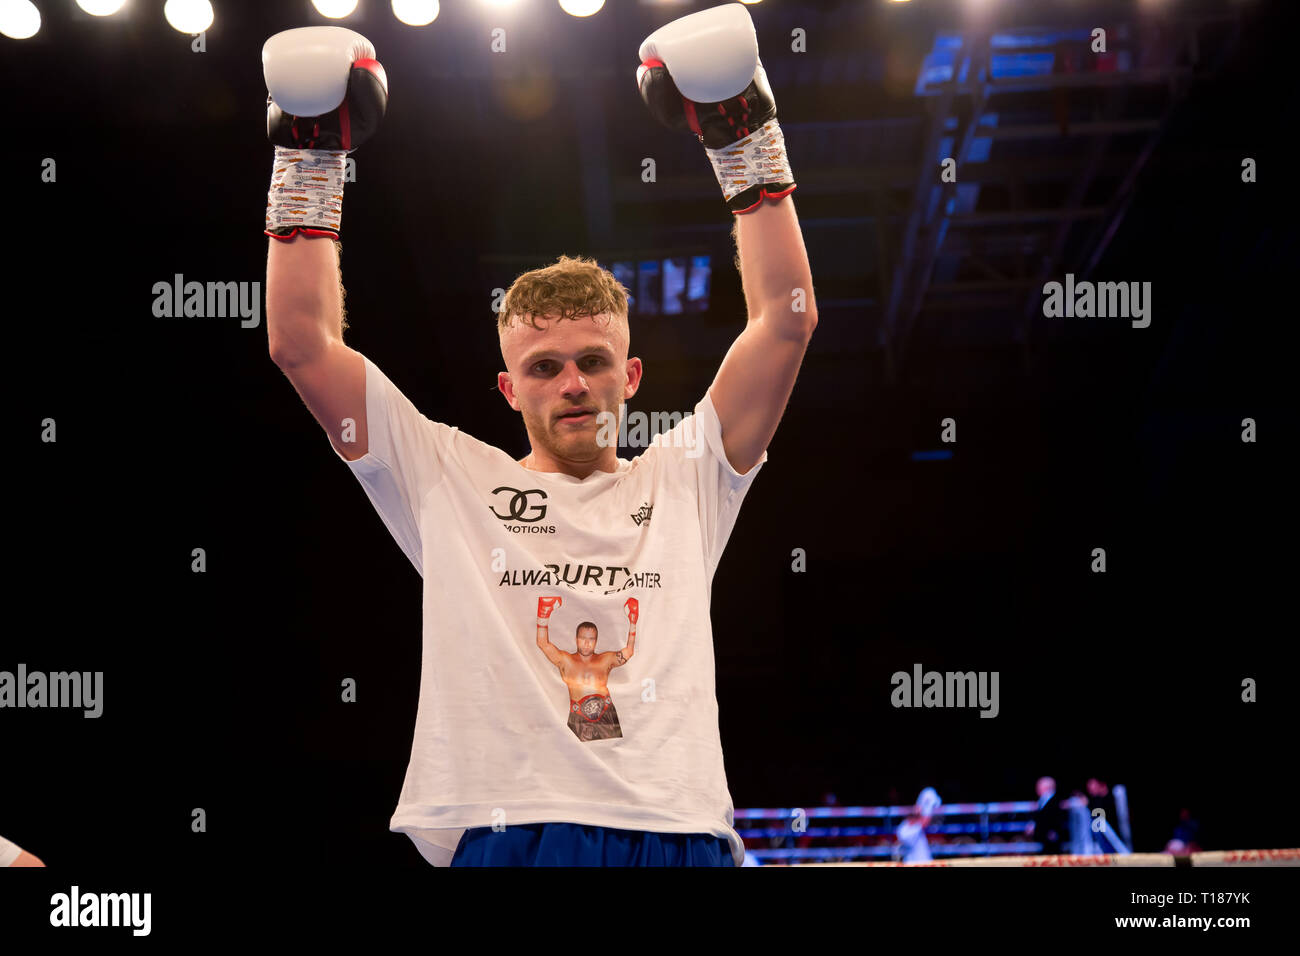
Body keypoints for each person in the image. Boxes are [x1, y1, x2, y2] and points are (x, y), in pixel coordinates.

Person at [263, 4, 814, 866]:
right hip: (511, 829)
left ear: (629, 379)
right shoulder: (448, 476)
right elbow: (301, 344)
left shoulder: (684, 479)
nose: (573, 384)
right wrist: (307, 154)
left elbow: (785, 325)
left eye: (594, 361)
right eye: (545, 366)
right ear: (506, 386)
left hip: (678, 830)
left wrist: (743, 133)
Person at [895, 787, 942, 863]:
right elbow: (924, 822)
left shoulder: (908, 827)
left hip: (924, 862)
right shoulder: (903, 831)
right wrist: (926, 807)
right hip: (914, 864)